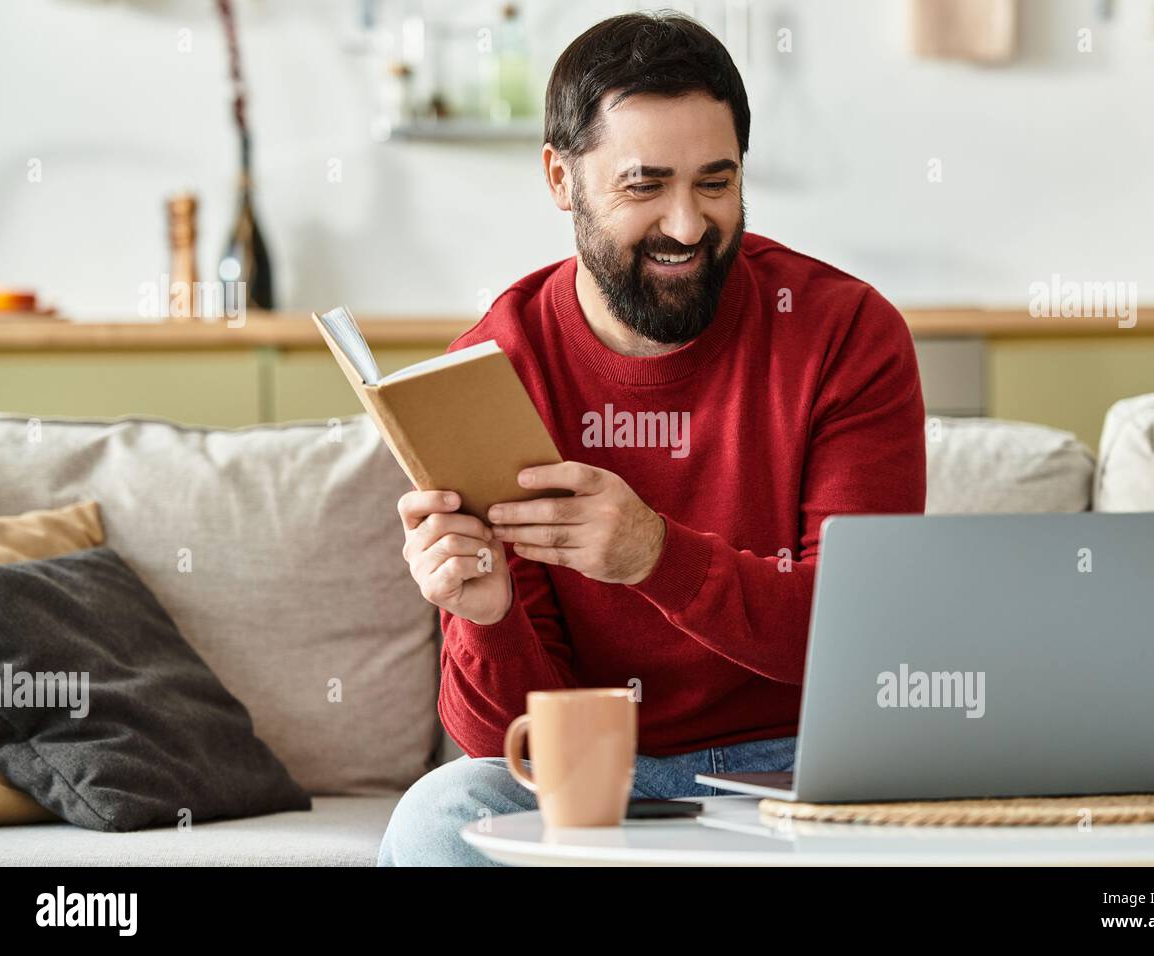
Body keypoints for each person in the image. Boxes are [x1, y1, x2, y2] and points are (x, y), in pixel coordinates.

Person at [378, 10, 925, 866]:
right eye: (645, 186)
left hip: (811, 769)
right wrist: (486, 619)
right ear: (561, 178)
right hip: (595, 777)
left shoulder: (844, 333)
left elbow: (865, 633)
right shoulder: (492, 371)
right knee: (442, 817)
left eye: (716, 182)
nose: (686, 225)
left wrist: (653, 555)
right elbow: (505, 742)